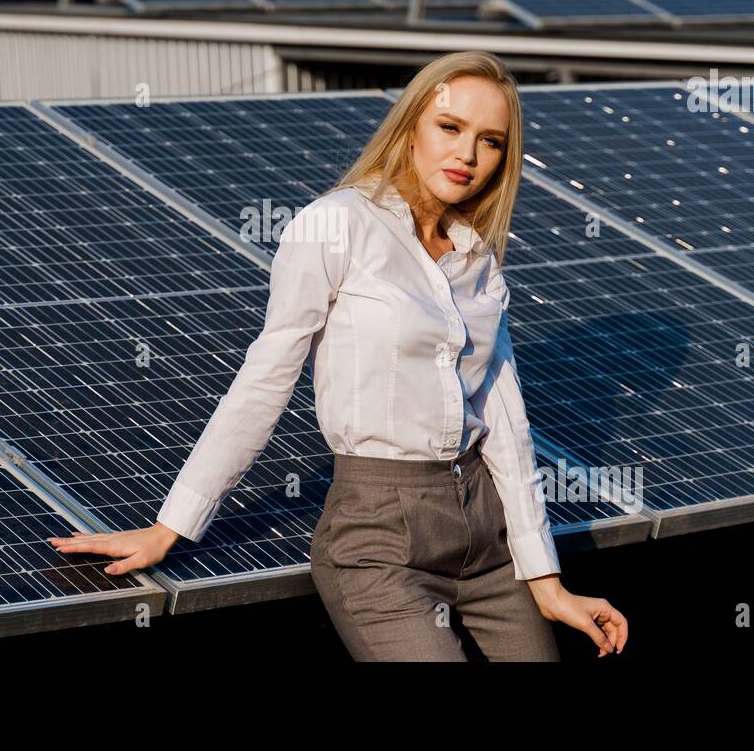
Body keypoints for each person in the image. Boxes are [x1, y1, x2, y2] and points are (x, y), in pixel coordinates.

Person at [49, 50, 628, 661]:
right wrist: (173, 525)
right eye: (450, 127)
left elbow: (504, 419)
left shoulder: (476, 258)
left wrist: (546, 579)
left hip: (489, 539)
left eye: (490, 141)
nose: (467, 154)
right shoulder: (334, 225)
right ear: (410, 126)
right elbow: (265, 380)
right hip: (379, 537)